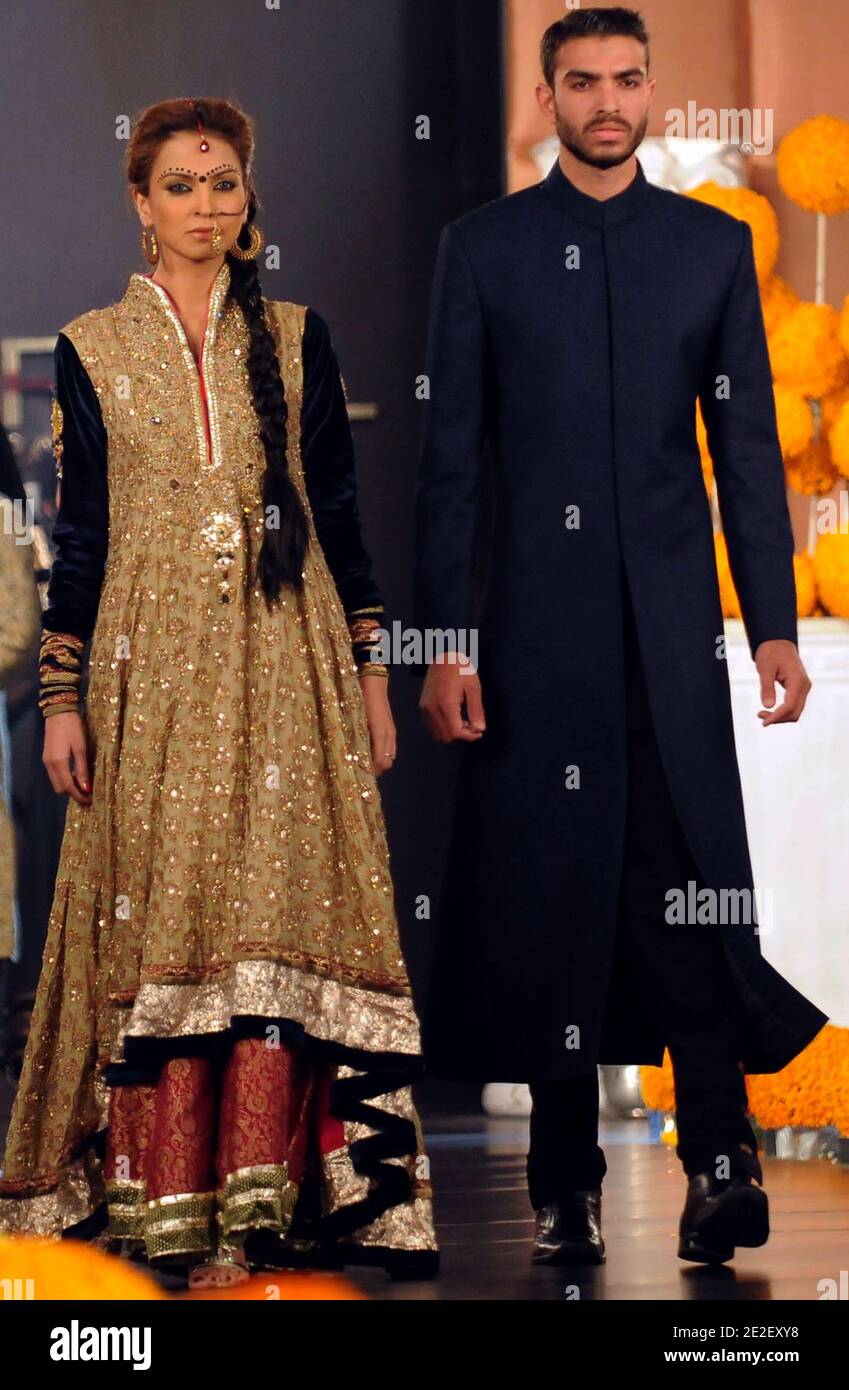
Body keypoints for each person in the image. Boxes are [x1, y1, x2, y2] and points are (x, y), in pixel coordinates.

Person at [414, 7, 828, 1267]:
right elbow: (450, 470)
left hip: (671, 638)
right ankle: (564, 1181)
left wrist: (771, 624)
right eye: (583, 80)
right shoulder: (482, 249)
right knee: (551, 898)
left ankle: (719, 1161)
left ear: (651, 92)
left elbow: (747, 454)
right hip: (532, 636)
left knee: (695, 890)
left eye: (628, 79)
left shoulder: (712, 248)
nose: (608, 100)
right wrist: (444, 640)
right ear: (547, 96)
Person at [0, 96, 438, 1287]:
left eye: (225, 183)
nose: (206, 205)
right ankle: (167, 1206)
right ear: (140, 203)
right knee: (170, 921)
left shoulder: (296, 337)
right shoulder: (93, 345)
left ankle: (274, 1208)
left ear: (250, 201)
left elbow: (339, 521)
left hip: (284, 666)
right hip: (149, 678)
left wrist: (372, 681)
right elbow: (78, 536)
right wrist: (62, 697)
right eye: (181, 185)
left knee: (278, 919)